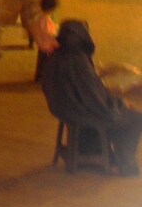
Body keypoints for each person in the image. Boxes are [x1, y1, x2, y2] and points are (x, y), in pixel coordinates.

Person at [42, 20, 142, 176]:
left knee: (117, 110)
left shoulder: (55, 54)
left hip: (61, 107)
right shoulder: (78, 59)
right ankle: (123, 164)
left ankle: (92, 151)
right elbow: (95, 100)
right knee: (134, 118)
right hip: (78, 109)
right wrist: (120, 105)